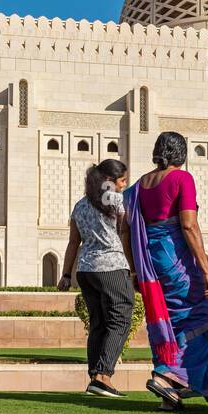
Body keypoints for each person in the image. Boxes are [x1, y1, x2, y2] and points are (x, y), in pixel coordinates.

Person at [125, 131, 208, 411]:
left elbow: (124, 230)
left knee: (169, 322)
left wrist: (136, 271)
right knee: (200, 313)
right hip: (177, 262)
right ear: (181, 153)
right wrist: (206, 268)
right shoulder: (182, 179)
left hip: (151, 263)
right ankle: (167, 375)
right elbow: (188, 225)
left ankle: (170, 397)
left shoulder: (138, 186)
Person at [58, 159, 135, 398]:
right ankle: (104, 376)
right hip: (111, 267)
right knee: (120, 318)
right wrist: (133, 269)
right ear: (110, 181)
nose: (124, 185)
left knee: (98, 323)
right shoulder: (115, 200)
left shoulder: (80, 205)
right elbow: (125, 233)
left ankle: (94, 378)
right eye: (122, 180)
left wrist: (66, 274)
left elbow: (73, 242)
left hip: (86, 271)